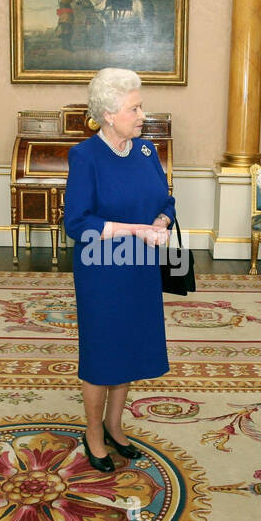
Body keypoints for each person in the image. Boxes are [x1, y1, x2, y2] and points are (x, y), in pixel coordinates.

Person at [63, 68, 172, 472]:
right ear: (109, 114)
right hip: (101, 270)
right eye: (134, 108)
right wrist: (132, 229)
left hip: (140, 267)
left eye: (141, 106)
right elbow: (76, 222)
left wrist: (161, 222)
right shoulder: (85, 156)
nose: (143, 114)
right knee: (102, 352)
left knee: (128, 346)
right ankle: (93, 432)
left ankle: (114, 423)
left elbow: (166, 200)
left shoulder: (146, 152)